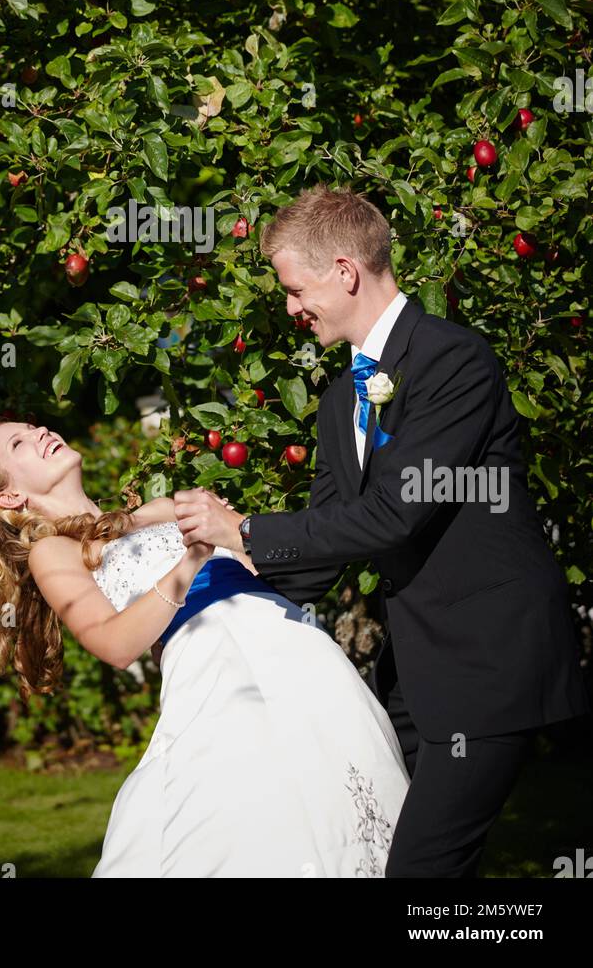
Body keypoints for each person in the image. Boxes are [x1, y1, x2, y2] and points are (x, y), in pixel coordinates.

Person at [177, 183, 590, 878]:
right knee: (384, 852)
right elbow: (326, 542)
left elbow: (396, 512)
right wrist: (211, 580)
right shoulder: (342, 397)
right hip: (414, 678)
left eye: (293, 289)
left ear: (343, 272)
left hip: (493, 665)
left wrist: (243, 527)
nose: (290, 308)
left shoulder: (453, 361)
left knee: (421, 869)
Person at [0, 416, 411, 877]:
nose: (40, 433)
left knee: (344, 797)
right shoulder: (52, 551)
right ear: (9, 496)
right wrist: (190, 561)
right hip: (215, 673)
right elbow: (114, 644)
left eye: (35, 426)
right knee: (249, 817)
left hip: (295, 643)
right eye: (19, 441)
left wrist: (237, 543)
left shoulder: (161, 509)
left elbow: (257, 568)